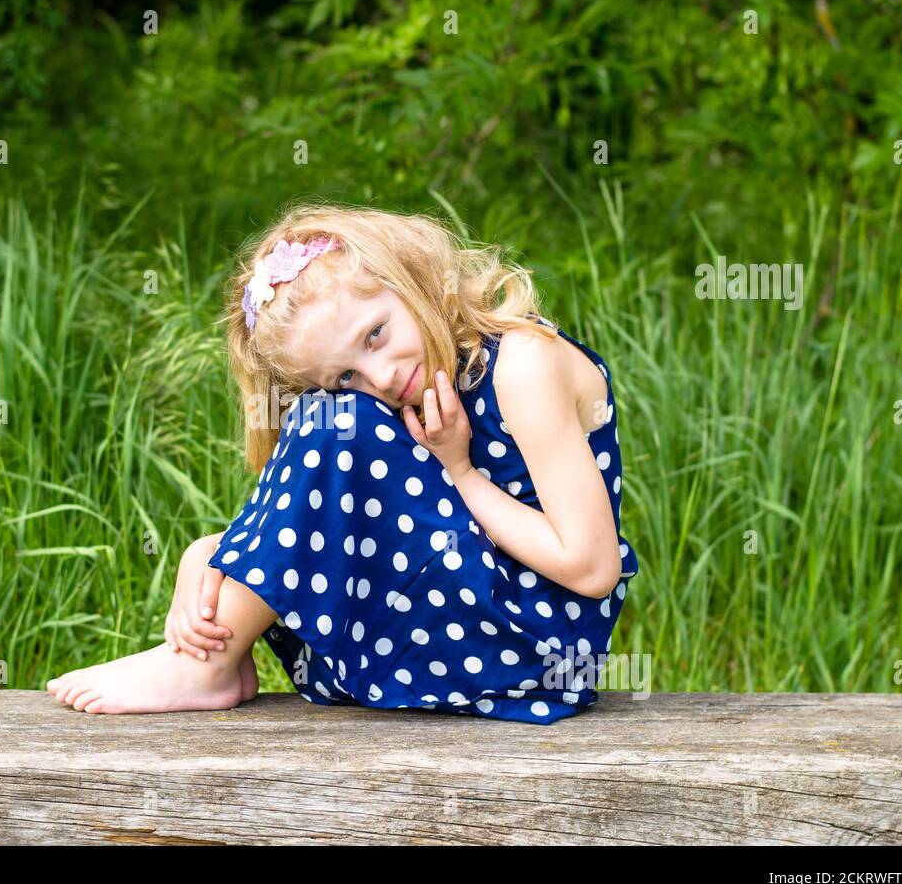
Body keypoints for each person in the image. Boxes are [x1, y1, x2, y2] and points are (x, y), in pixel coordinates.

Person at [47, 202, 639, 722]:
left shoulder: (521, 365)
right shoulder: (406, 387)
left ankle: (207, 664)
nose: (380, 378)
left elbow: (591, 568)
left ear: (411, 278)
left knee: (342, 424)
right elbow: (361, 511)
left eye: (376, 334)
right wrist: (212, 553)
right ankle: (212, 656)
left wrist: (460, 472)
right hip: (444, 628)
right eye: (345, 375)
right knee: (330, 418)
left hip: (533, 647)